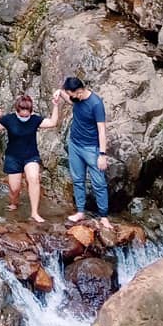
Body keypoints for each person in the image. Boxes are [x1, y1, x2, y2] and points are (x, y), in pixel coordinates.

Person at [0, 92, 60, 223]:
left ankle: (34, 213)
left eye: (27, 111)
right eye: (22, 112)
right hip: (13, 157)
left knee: (33, 179)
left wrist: (55, 105)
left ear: (31, 110)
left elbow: (53, 123)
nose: (25, 114)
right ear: (17, 109)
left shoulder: (34, 119)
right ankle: (14, 204)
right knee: (14, 189)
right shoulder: (9, 119)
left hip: (30, 156)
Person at [56, 76, 113, 230]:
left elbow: (102, 130)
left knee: (99, 183)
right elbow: (69, 99)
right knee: (77, 179)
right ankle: (80, 212)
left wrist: (102, 154)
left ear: (79, 91)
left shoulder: (96, 104)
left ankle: (104, 217)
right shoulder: (76, 99)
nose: (71, 97)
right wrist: (59, 93)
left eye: (72, 94)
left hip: (91, 149)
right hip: (74, 144)